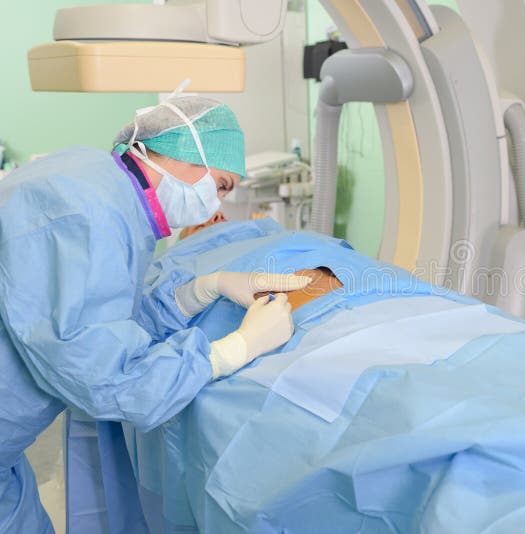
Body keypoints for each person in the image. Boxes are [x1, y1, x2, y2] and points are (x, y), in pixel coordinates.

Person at [0, 97, 310, 533]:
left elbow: (103, 318)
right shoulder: (90, 214)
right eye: (220, 186)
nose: (214, 205)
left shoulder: (95, 181)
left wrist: (201, 290)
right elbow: (107, 379)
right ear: (184, 155)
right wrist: (231, 351)